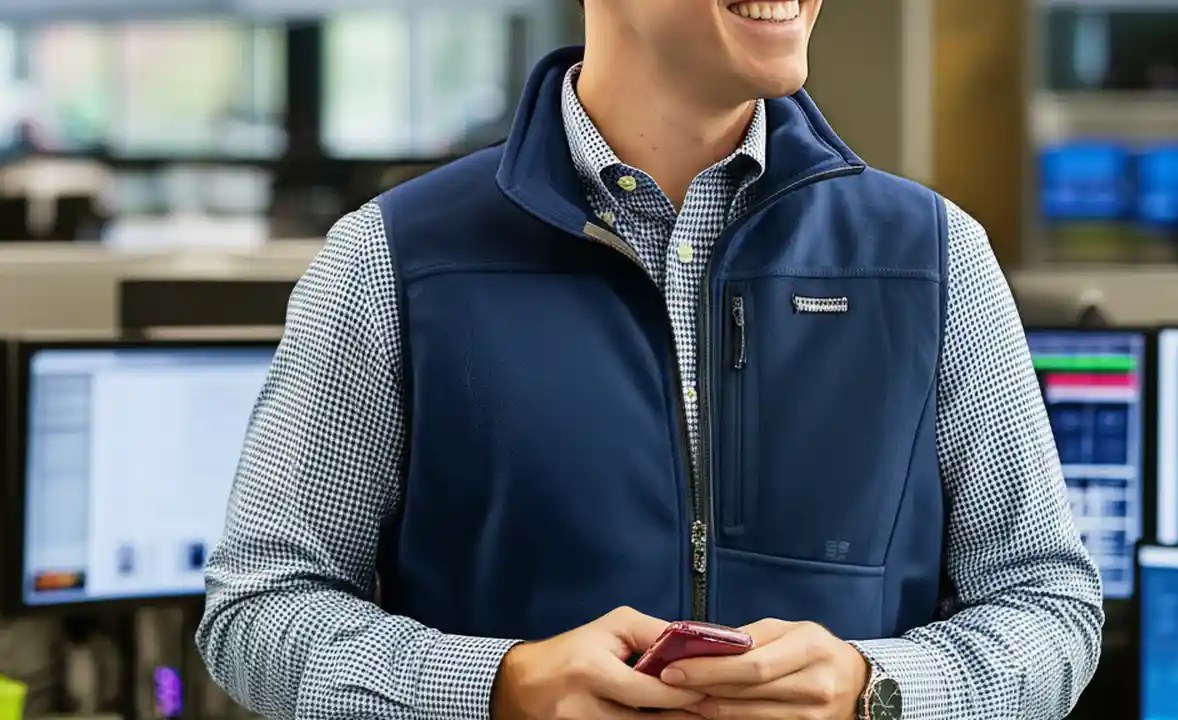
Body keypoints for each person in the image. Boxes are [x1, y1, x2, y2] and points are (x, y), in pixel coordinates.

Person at [197, 1, 1103, 719]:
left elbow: (1051, 606)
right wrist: (497, 687)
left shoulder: (933, 255)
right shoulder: (391, 259)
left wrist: (878, 688)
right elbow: (260, 610)